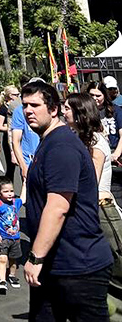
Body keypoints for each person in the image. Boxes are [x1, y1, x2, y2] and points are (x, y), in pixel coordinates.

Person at [22, 80, 112, 322]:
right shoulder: (49, 142)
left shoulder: (61, 146)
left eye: (35, 105)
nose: (28, 110)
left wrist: (35, 257)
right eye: (25, 105)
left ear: (53, 109)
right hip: (56, 265)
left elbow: (59, 206)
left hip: (79, 267)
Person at [64, 91, 122, 315]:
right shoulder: (77, 137)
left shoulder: (96, 142)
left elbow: (91, 182)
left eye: (68, 108)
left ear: (80, 113)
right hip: (89, 209)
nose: (63, 111)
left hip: (101, 210)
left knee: (113, 267)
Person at [0, 175, 23, 296]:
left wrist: (24, 183)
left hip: (15, 237)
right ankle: (2, 281)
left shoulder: (15, 202)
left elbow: (23, 198)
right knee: (3, 258)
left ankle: (12, 275)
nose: (9, 194)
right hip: (3, 237)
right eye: (6, 191)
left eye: (11, 191)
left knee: (13, 260)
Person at [86, 80, 122, 165]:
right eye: (91, 95)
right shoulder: (85, 112)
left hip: (114, 152)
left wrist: (116, 154)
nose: (94, 98)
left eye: (98, 96)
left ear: (104, 95)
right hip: (93, 152)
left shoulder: (116, 110)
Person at [0, 86, 21, 186]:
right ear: (10, 96)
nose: (18, 96)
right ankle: (8, 189)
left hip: (20, 138)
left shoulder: (19, 106)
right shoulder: (3, 109)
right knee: (11, 167)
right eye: (16, 95)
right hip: (8, 139)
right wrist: (12, 128)